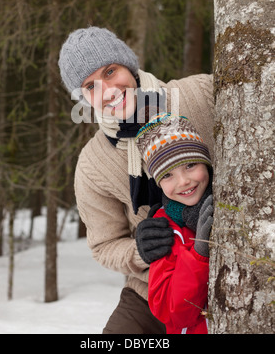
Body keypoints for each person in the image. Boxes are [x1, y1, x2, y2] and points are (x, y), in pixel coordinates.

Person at [58, 26, 214, 334]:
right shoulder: (93, 165)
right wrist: (141, 251)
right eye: (90, 86)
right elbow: (104, 245)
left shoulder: (200, 94)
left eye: (111, 71)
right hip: (156, 285)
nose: (108, 90)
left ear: (128, 64)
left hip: (227, 263)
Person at [135, 113, 213, 334]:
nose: (183, 181)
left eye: (190, 165)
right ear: (159, 184)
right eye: (167, 175)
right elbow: (170, 312)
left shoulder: (230, 201)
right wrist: (199, 253)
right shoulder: (164, 230)